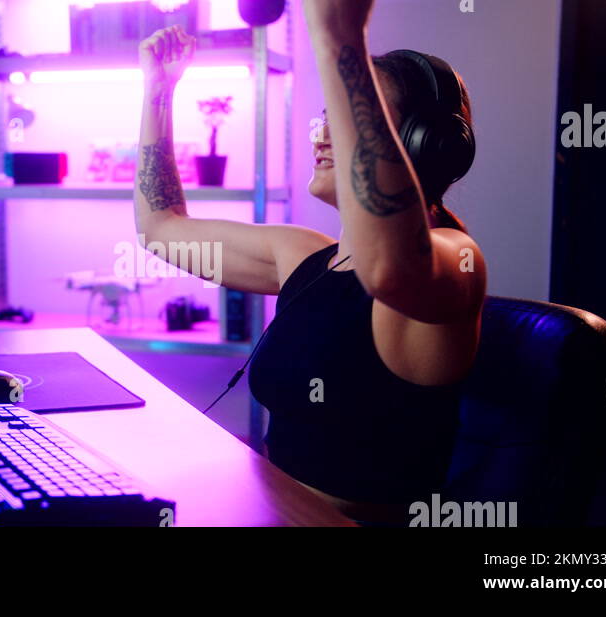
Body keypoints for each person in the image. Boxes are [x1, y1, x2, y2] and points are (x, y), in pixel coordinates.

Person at [133, 0, 486, 525]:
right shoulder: (306, 259)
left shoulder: (457, 259)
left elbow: (386, 267)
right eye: (329, 113)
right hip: (265, 509)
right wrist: (158, 92)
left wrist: (338, 31)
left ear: (417, 145)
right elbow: (160, 228)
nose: (322, 133)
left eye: (350, 117)